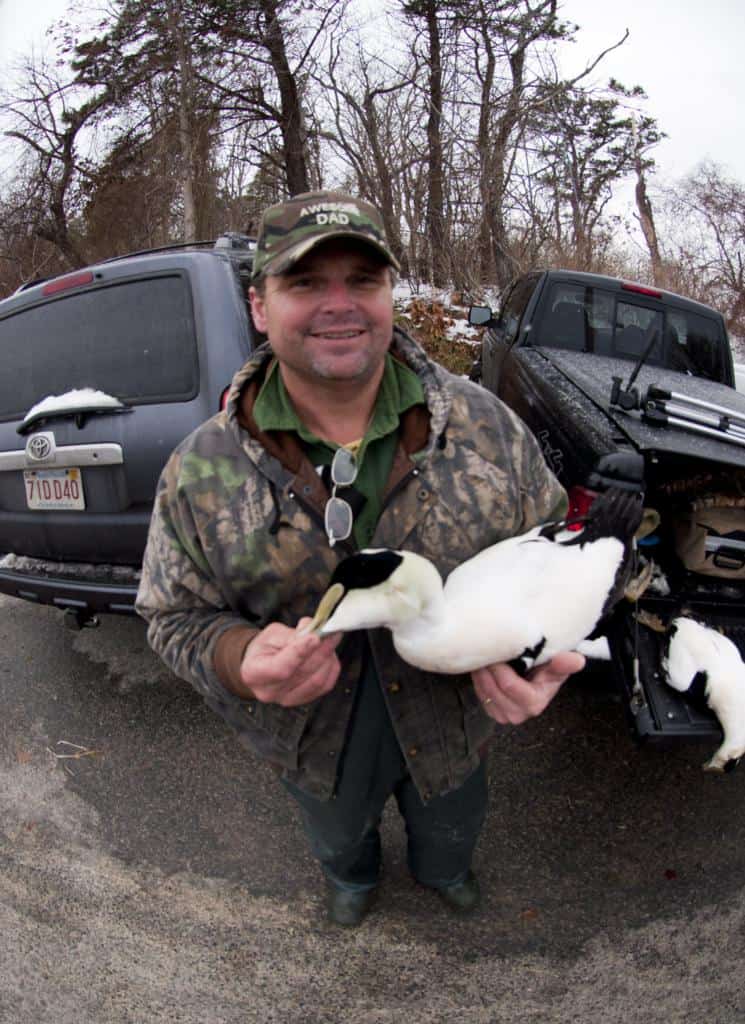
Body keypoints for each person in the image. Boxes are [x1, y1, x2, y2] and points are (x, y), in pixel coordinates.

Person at [136, 190, 585, 928]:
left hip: (454, 722)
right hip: (311, 738)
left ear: (388, 294)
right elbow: (170, 614)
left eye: (362, 280)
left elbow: (547, 553)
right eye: (305, 283)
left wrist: (533, 655)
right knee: (337, 832)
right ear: (258, 306)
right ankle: (351, 878)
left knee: (451, 820)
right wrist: (240, 657)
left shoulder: (484, 426)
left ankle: (443, 870)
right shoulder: (200, 467)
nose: (338, 304)